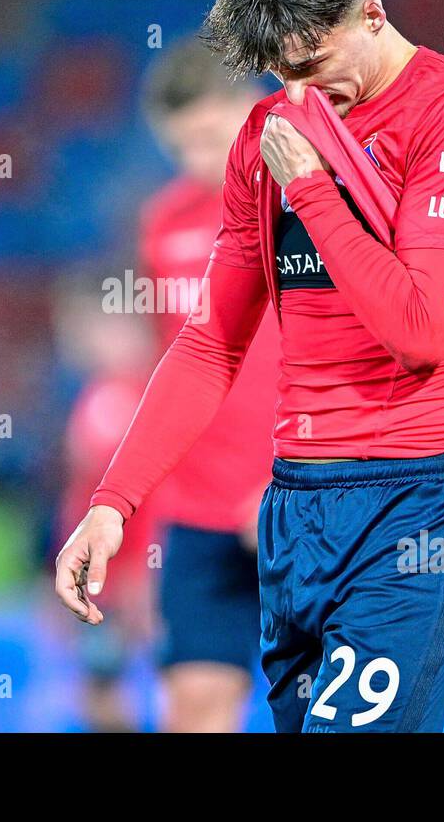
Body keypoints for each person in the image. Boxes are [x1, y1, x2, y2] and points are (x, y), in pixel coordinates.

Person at [56, 0, 444, 732]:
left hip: (418, 512)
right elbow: (209, 345)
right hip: (298, 514)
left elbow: (421, 331)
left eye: (312, 64)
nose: (299, 91)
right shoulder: (269, 137)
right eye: (280, 72)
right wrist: (114, 501)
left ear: (371, 13)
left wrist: (311, 189)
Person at [135, 41, 280, 731]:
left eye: (208, 139)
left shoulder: (314, 202)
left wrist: (300, 476)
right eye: (179, 148)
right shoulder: (163, 224)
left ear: (255, 107)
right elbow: (175, 369)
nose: (196, 163)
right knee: (192, 704)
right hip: (197, 513)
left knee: (324, 709)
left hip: (304, 503)